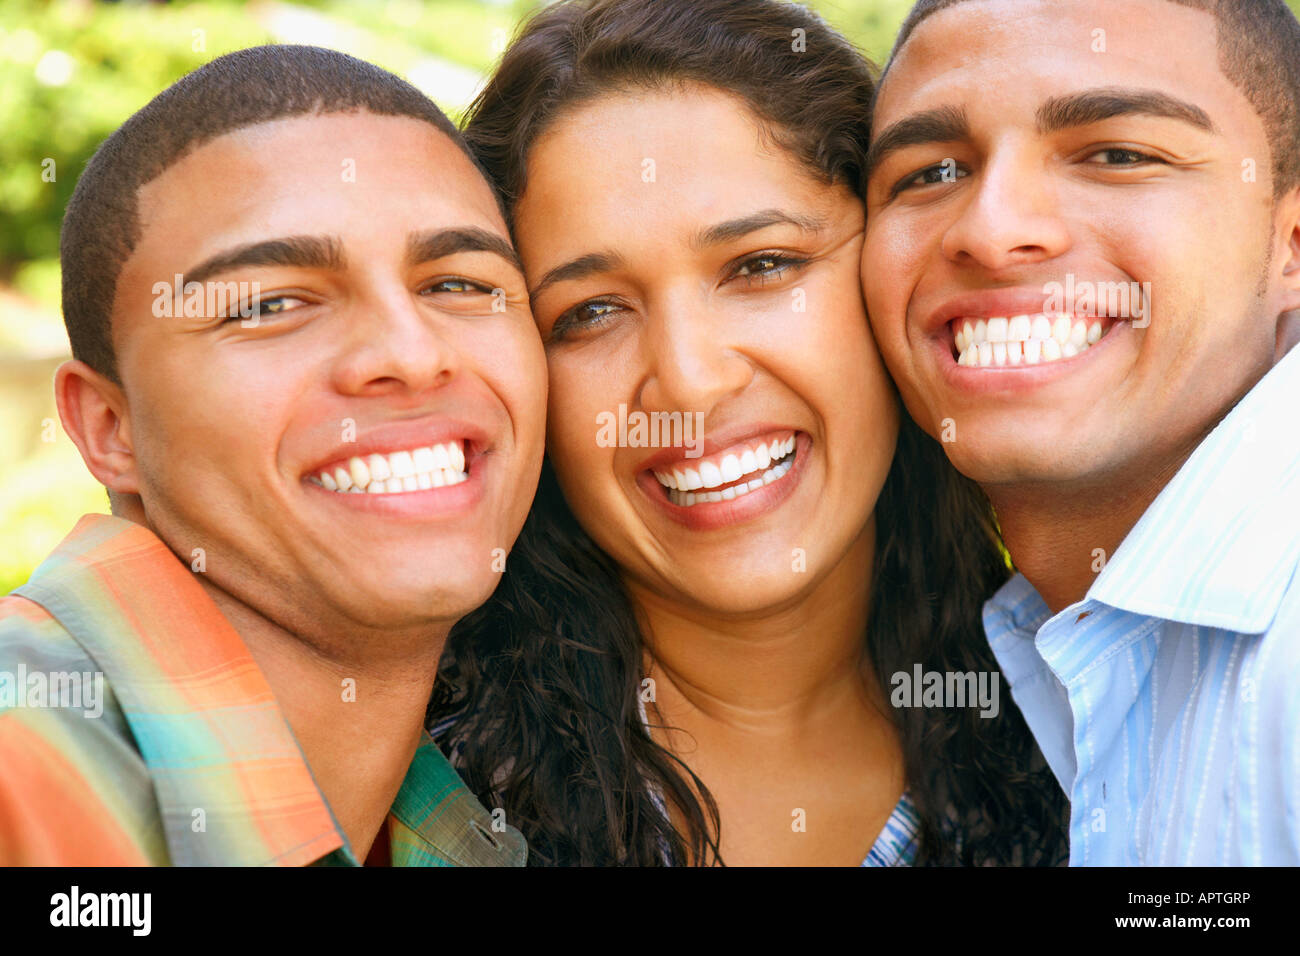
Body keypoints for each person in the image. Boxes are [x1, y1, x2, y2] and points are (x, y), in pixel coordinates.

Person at [430, 0, 1067, 866]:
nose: (690, 378)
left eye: (761, 266)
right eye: (589, 313)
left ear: (892, 265)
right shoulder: (419, 791)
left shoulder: (1088, 719)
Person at [0, 45, 547, 866]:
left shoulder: (458, 827)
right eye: (270, 303)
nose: (411, 351)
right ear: (110, 427)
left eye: (457, 284)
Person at [861, 0, 1300, 865]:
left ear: (1290, 245)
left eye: (1119, 154)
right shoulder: (1028, 638)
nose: (991, 231)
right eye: (929, 172)